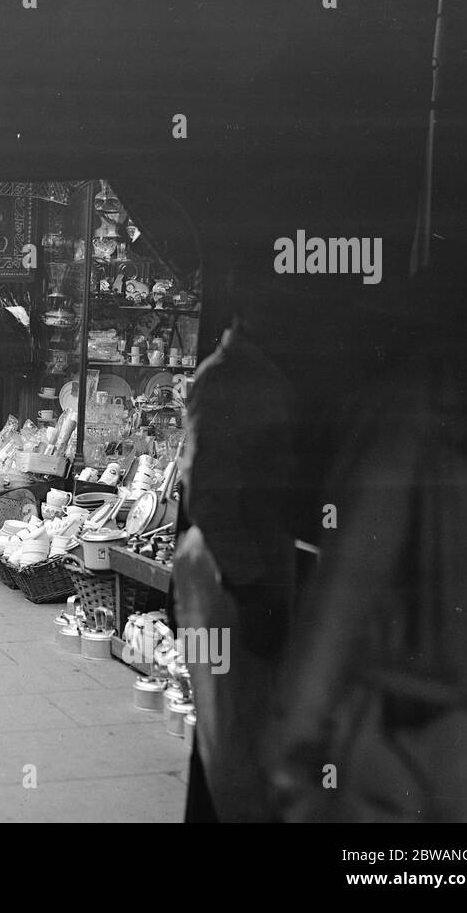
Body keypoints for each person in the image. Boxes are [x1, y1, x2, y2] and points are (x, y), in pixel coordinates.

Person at [172, 318, 296, 822]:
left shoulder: (251, 371)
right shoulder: (229, 377)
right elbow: (210, 496)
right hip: (221, 576)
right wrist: (251, 587)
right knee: (228, 730)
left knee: (227, 730)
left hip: (231, 570)